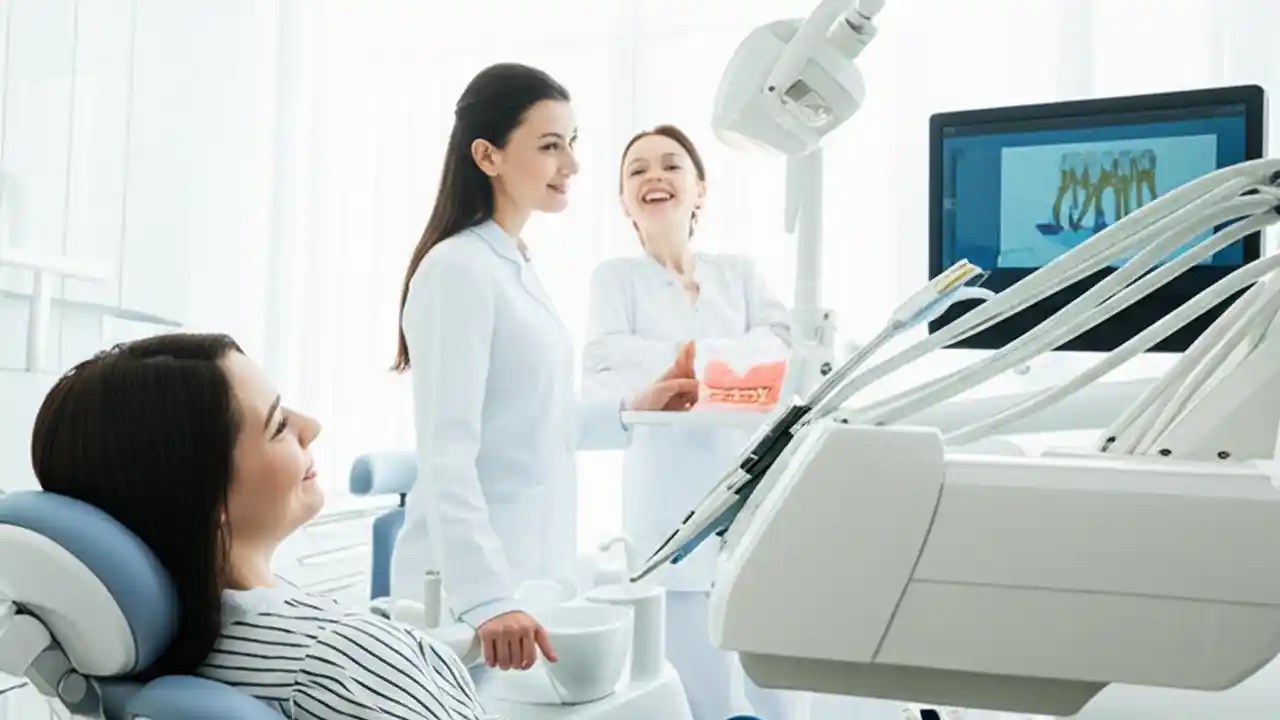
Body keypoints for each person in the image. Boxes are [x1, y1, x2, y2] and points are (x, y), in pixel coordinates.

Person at [389, 64, 697, 675]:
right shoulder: (459, 270)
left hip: (527, 577)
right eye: (551, 146)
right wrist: (487, 598)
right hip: (472, 600)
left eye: (573, 143)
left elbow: (535, 418)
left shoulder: (513, 267)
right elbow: (448, 455)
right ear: (489, 156)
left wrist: (636, 406)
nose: (573, 165)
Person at [30, 333, 493, 720]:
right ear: (209, 497)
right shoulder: (339, 658)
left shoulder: (162, 662)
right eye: (277, 425)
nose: (311, 426)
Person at [582, 124, 801, 720]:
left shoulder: (741, 272)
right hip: (666, 513)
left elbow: (785, 348)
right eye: (636, 170)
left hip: (755, 499)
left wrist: (688, 364)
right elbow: (602, 370)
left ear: (700, 190)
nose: (654, 176)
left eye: (671, 165)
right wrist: (728, 359)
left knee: (775, 692)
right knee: (697, 698)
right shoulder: (615, 279)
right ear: (623, 199)